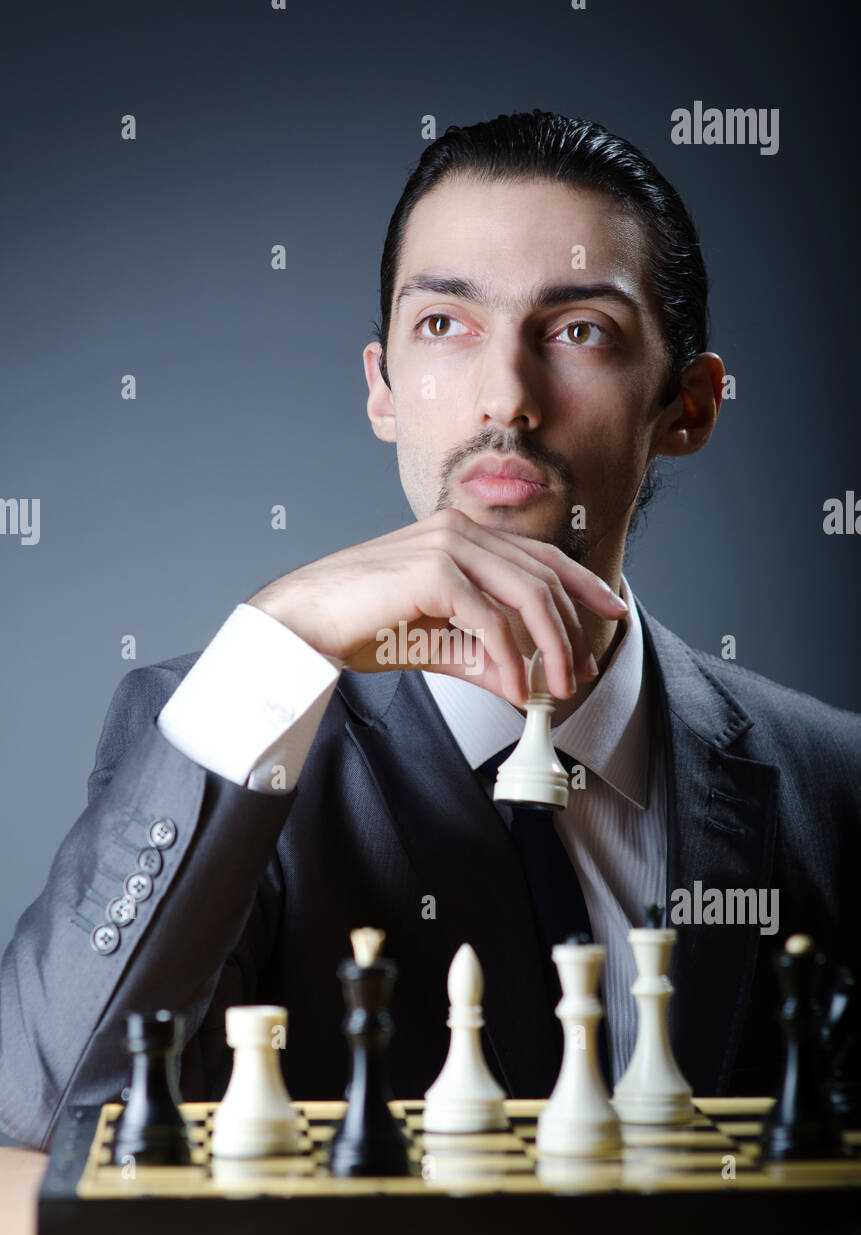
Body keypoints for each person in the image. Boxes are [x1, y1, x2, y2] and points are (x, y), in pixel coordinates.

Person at [1, 111, 858, 1151]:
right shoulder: (224, 735)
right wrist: (280, 633)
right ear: (383, 389)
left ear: (689, 405)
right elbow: (48, 1108)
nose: (505, 397)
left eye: (580, 328)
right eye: (445, 325)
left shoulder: (834, 781)